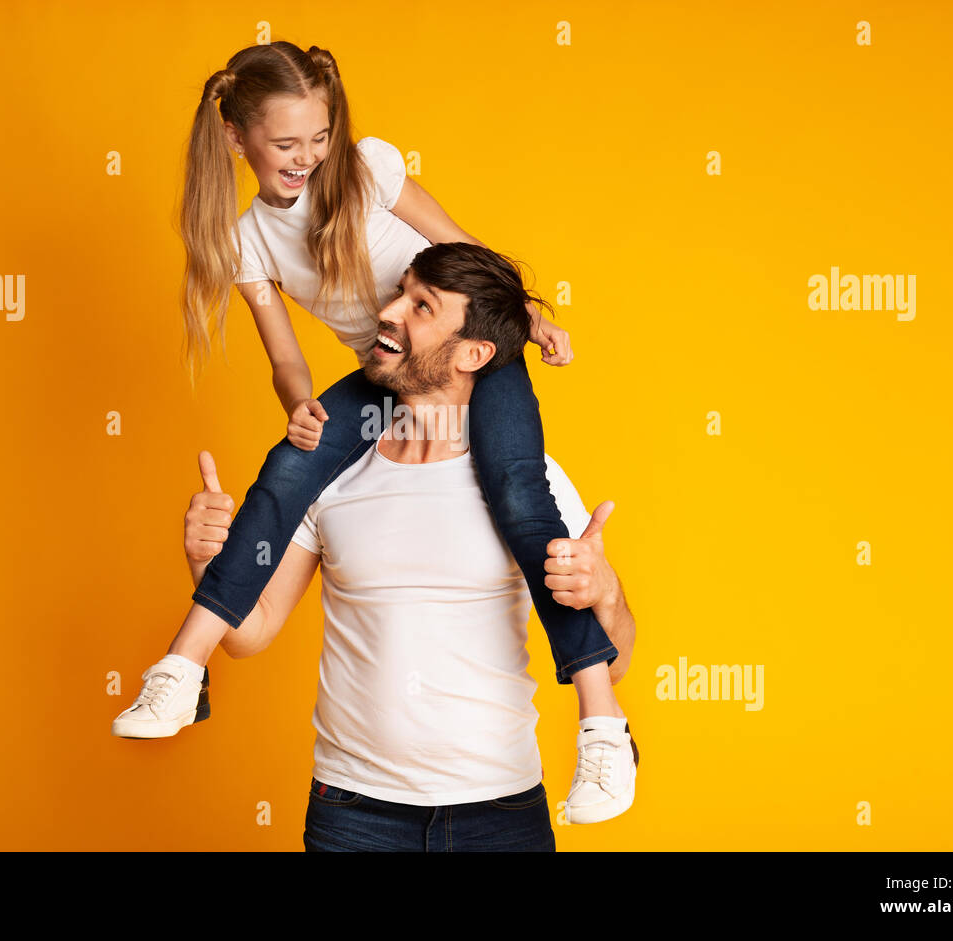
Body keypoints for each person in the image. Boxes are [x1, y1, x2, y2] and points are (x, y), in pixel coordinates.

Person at [111, 41, 631, 821]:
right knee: (284, 476)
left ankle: (602, 730)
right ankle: (181, 670)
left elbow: (460, 248)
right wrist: (299, 409)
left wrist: (523, 313)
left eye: (318, 140)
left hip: (471, 354)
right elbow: (286, 357)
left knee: (524, 502)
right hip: (387, 370)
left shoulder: (367, 170)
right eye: (288, 145)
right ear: (236, 138)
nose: (308, 159)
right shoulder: (248, 241)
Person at [208, 243, 639, 848]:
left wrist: (605, 592)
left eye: (421, 306)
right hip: (352, 813)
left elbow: (612, 661)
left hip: (501, 811)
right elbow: (248, 633)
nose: (388, 312)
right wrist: (208, 559)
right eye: (399, 293)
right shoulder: (328, 472)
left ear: (473, 354)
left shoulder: (531, 481)